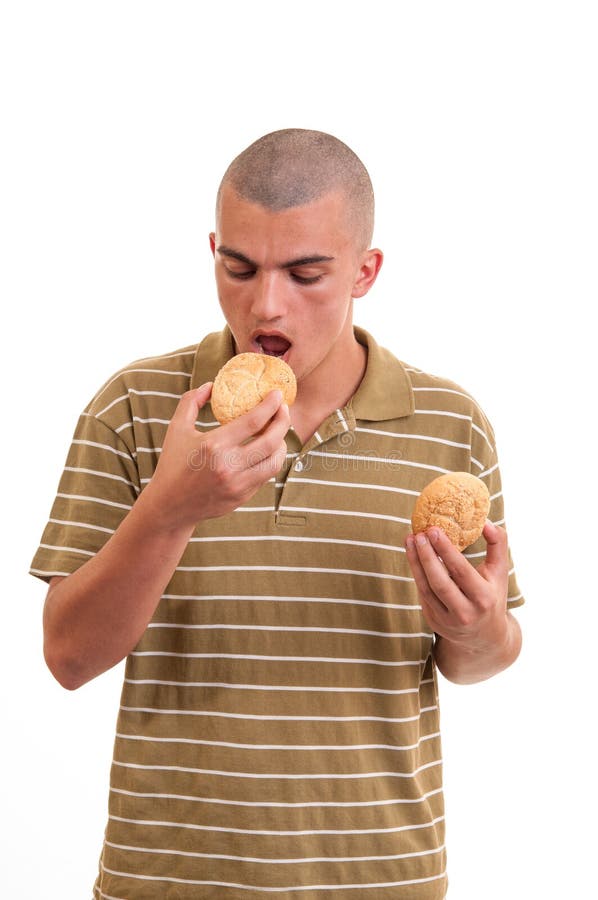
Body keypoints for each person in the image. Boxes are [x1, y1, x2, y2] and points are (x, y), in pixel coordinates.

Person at [30, 128, 523, 899]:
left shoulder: (449, 423)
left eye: (305, 273)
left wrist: (477, 627)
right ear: (214, 252)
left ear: (365, 271)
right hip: (167, 879)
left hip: (381, 878)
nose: (266, 304)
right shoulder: (133, 408)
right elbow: (68, 658)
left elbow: (483, 658)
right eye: (239, 268)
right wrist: (170, 510)